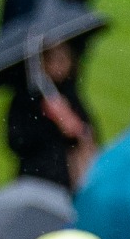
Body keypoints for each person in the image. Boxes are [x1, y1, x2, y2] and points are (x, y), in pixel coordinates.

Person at [6, 39, 100, 189]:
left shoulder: (69, 96)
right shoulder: (27, 98)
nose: (58, 66)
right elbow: (16, 140)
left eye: (63, 59)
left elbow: (90, 138)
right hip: (34, 181)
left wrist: (72, 126)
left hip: (67, 185)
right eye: (52, 60)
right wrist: (48, 123)